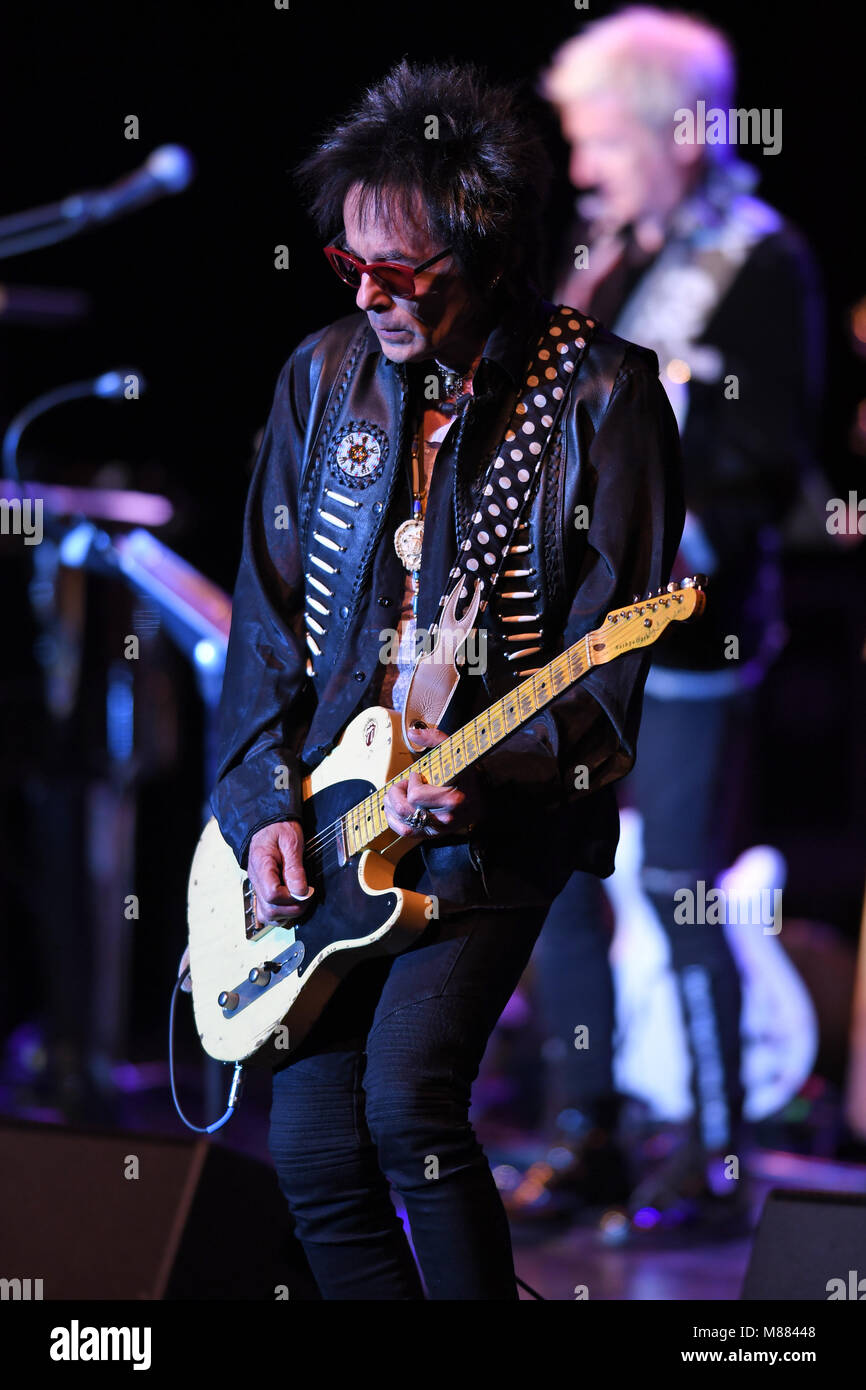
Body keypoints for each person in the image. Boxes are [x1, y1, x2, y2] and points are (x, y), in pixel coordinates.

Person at [211, 59, 683, 1300]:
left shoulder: (599, 394)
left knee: (407, 1109)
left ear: (483, 249)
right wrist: (259, 805)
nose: (369, 293)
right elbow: (265, 619)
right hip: (333, 811)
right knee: (311, 1146)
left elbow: (609, 671)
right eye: (347, 264)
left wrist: (496, 780)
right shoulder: (320, 378)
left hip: (494, 823)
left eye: (401, 269)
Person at [503, 7, 824, 1235]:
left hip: (688, 638)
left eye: (600, 141)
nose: (580, 169)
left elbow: (759, 466)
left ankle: (711, 1156)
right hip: (572, 637)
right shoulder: (604, 256)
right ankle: (584, 1129)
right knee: (553, 877)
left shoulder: (757, 260)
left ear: (674, 132)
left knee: (683, 889)